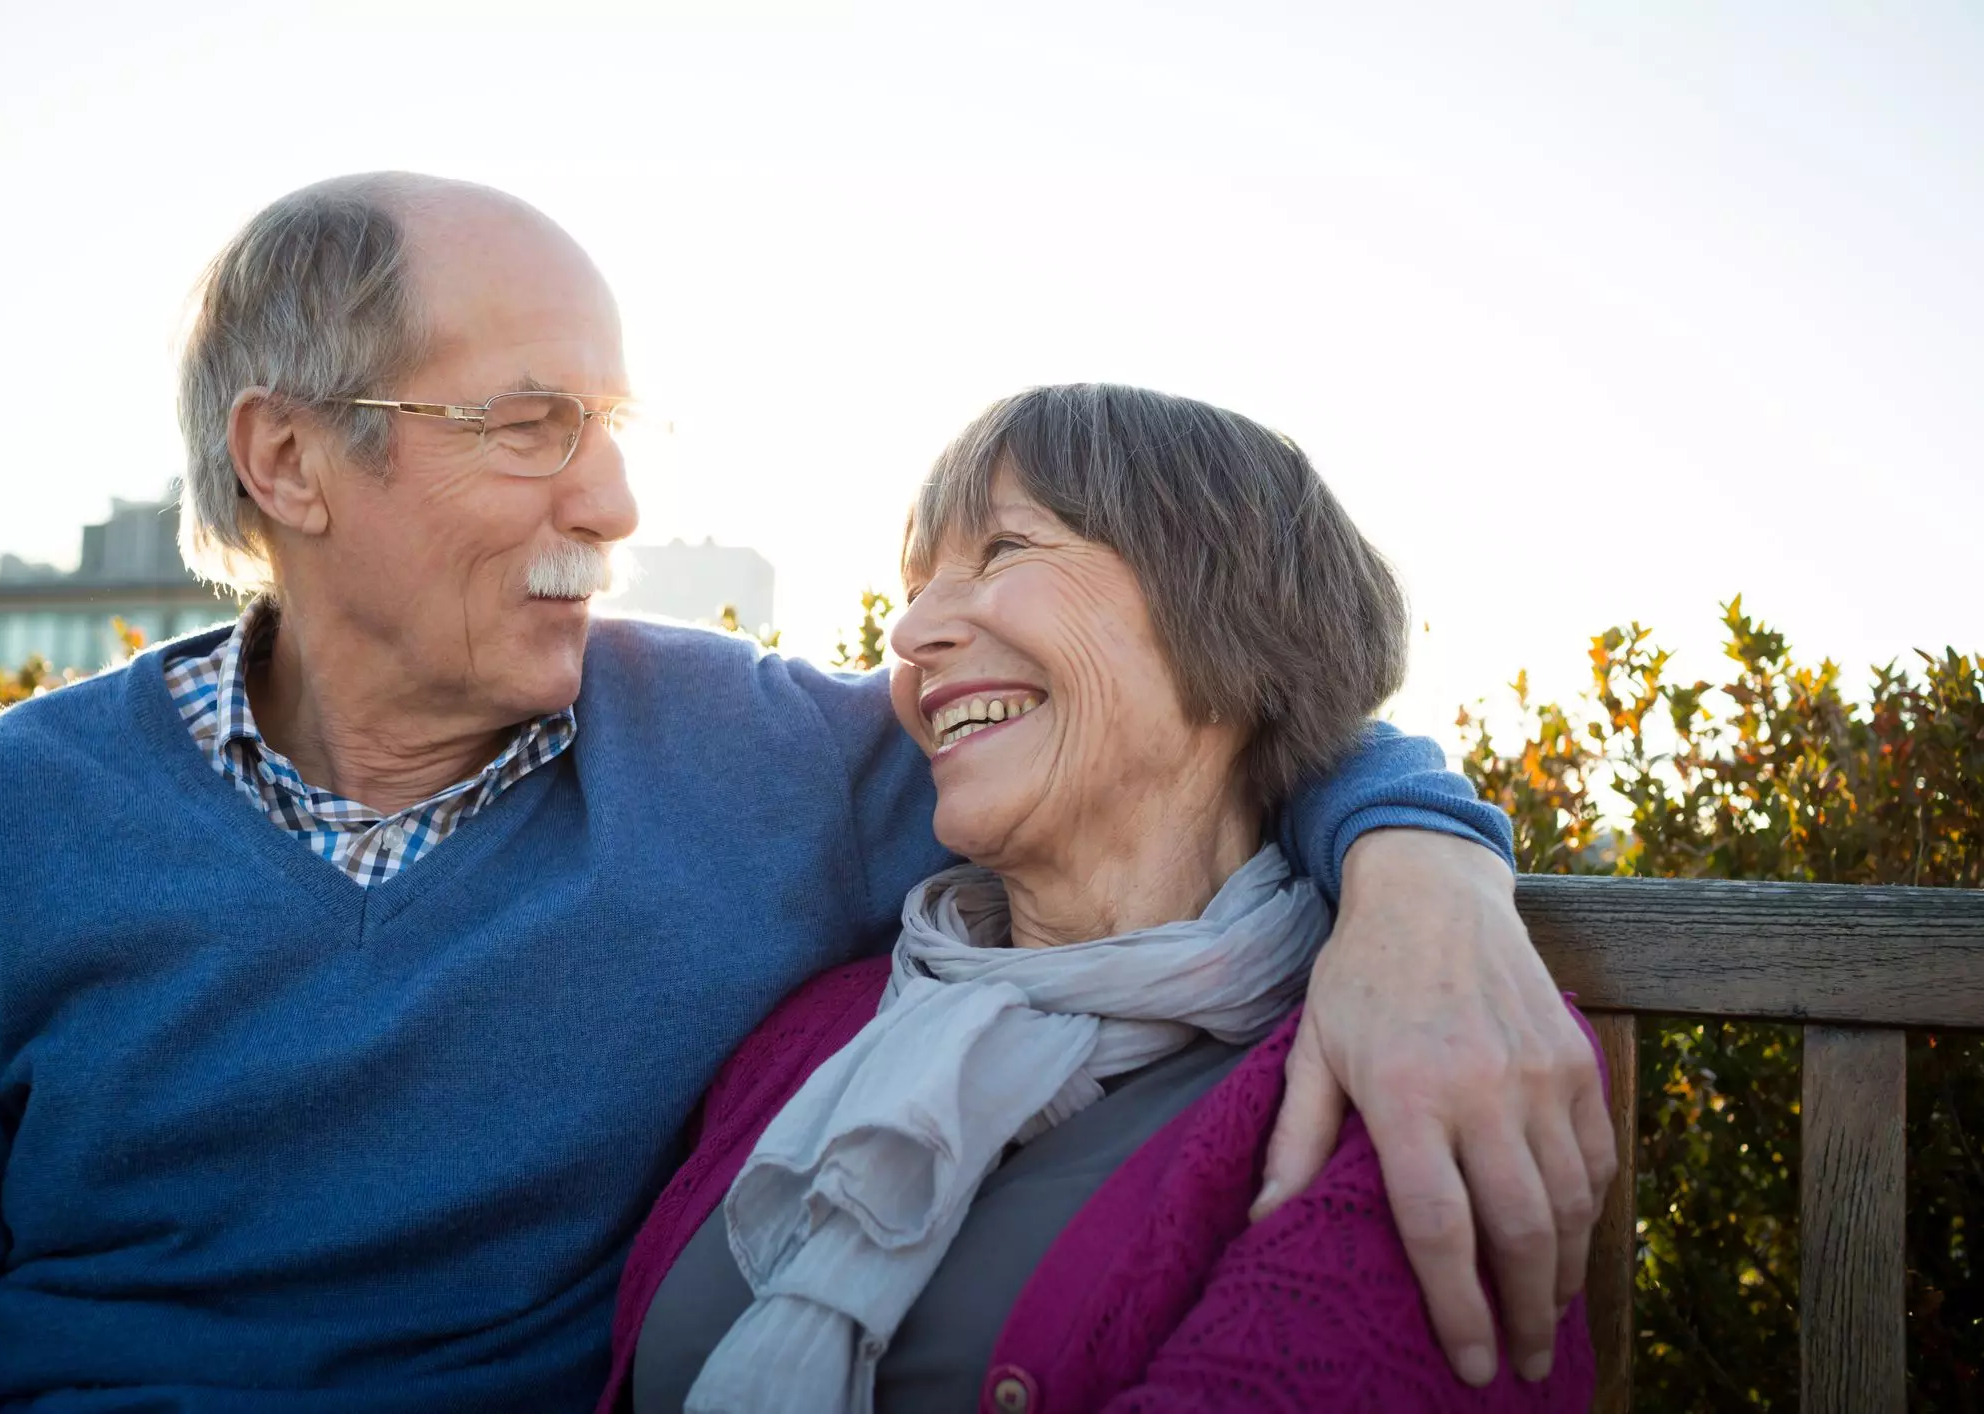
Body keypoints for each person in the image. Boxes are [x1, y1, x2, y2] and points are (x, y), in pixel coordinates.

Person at [0, 175, 1611, 1412]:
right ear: (292, 458)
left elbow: (1203, 709)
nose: (615, 498)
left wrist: (1423, 873)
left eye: (618, 424)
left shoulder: (762, 758)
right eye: (532, 422)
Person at [610, 385, 1600, 1413]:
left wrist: (1430, 861)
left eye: (1003, 550)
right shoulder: (812, 1028)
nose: (907, 632)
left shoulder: (1428, 1044)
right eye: (914, 584)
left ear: (1226, 615)